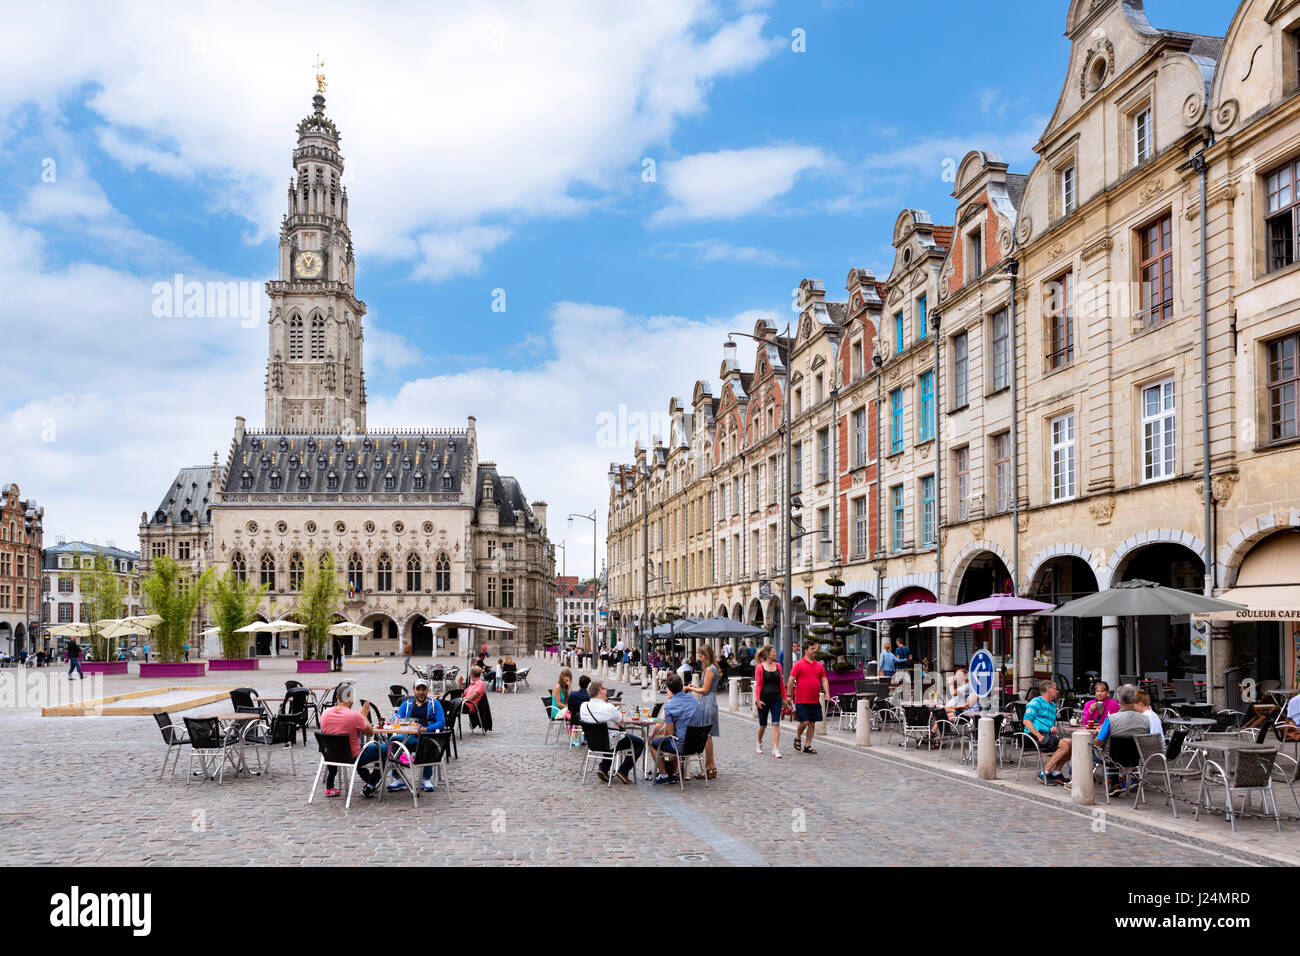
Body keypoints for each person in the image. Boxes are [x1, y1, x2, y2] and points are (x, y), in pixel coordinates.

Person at [320, 681, 387, 798]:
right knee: (386, 749)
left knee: (360, 745)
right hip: (352, 757)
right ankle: (371, 785)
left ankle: (369, 782)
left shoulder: (325, 713)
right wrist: (364, 716)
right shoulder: (354, 715)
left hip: (332, 755)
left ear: (337, 697)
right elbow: (370, 733)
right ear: (351, 698)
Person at [386, 678, 446, 793]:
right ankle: (399, 778)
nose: (421, 692)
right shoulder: (406, 704)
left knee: (426, 742)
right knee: (394, 740)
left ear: (427, 690)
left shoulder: (435, 704)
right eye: (418, 689)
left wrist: (426, 729)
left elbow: (441, 722)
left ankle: (425, 778)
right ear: (414, 690)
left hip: (427, 736)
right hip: (409, 737)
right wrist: (402, 725)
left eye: (423, 689)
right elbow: (398, 720)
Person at [580, 679, 644, 784]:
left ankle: (604, 769)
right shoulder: (609, 707)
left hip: (592, 742)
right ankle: (623, 771)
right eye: (605, 688)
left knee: (609, 737)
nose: (606, 691)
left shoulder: (583, 706)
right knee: (639, 743)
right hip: (609, 741)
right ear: (601, 691)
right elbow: (621, 722)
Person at [1095, 684, 1151, 794]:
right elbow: (1145, 740)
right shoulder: (1145, 719)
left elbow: (1099, 742)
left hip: (1112, 758)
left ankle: (1077, 781)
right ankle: (1115, 782)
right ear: (1134, 699)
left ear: (1118, 700)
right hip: (1135, 759)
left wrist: (1093, 742)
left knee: (1092, 749)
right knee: (1113, 750)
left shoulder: (1111, 719)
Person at [649, 673, 701, 784]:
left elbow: (669, 732)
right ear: (682, 685)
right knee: (676, 738)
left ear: (669, 689)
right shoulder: (694, 700)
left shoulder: (670, 706)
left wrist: (660, 736)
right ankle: (672, 772)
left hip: (681, 746)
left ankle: (664, 775)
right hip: (697, 744)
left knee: (652, 743)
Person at [683, 644, 721, 779]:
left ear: (706, 655)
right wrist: (696, 686)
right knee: (707, 736)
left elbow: (705, 691)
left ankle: (708, 768)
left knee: (706, 737)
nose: (699, 659)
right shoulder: (711, 668)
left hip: (708, 703)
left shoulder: (710, 670)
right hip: (709, 702)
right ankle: (712, 766)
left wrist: (692, 689)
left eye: (700, 656)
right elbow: (705, 688)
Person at [787, 640, 830, 755]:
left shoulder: (819, 665)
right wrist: (789, 695)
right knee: (804, 722)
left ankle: (808, 745)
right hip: (801, 699)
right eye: (812, 648)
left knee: (812, 723)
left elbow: (824, 679)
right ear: (806, 651)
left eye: (815, 648)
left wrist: (827, 693)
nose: (814, 650)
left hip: (814, 699)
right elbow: (791, 681)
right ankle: (797, 736)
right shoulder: (799, 665)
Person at [1024, 679, 1070, 784]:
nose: (1058, 691)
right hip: (1033, 736)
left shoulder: (1053, 706)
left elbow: (1049, 724)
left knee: (1071, 743)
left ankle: (1056, 773)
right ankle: (1044, 772)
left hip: (1047, 735)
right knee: (1065, 745)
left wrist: (1054, 728)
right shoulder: (1036, 702)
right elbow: (1026, 721)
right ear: (1048, 689)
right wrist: (1039, 736)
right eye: (1056, 689)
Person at [753, 644, 788, 758]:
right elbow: (758, 685)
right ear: (768, 654)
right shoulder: (759, 667)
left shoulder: (778, 666)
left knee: (776, 723)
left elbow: (781, 683)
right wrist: (757, 699)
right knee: (762, 724)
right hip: (763, 700)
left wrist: (785, 698)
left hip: (776, 699)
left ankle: (775, 749)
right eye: (774, 652)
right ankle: (759, 742)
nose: (776, 654)